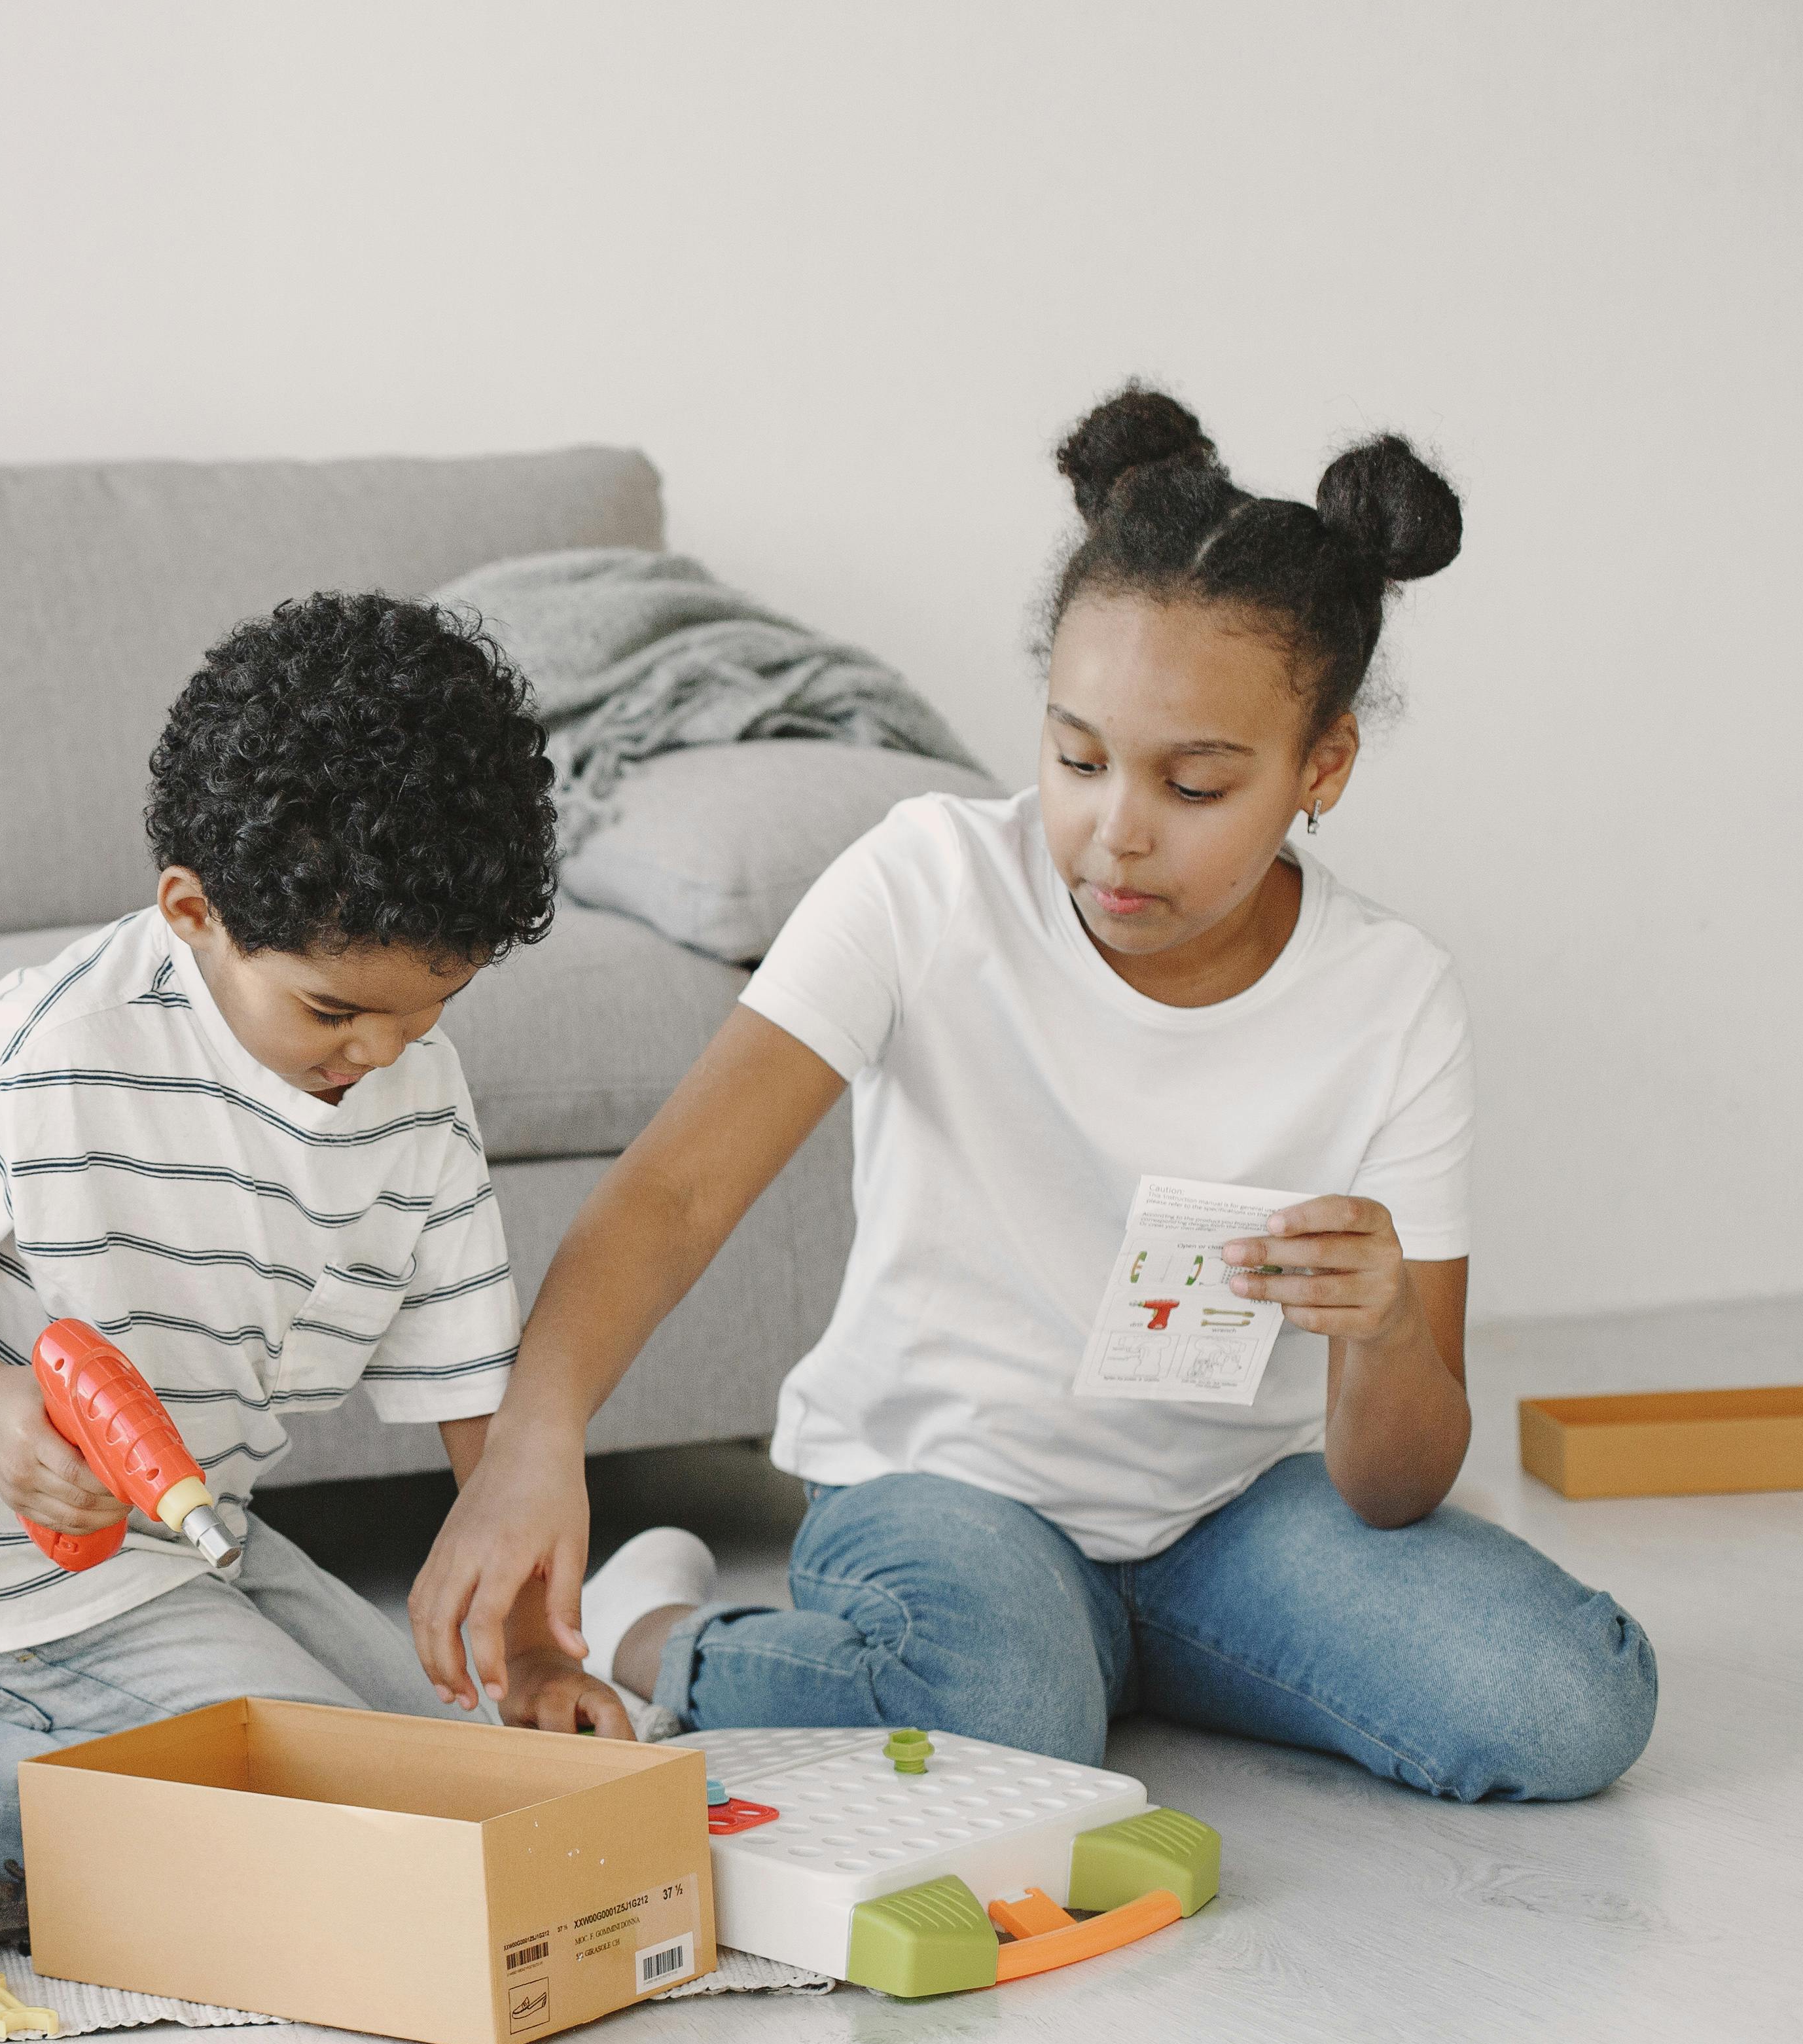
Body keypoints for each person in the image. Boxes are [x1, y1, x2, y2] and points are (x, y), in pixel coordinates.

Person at [408, 384, 1656, 1802]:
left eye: (1195, 786)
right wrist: (535, 1442)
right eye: (1077, 757)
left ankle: (1102, 1663)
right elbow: (676, 1193)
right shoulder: (928, 882)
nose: (1115, 833)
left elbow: (1395, 1486)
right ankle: (666, 1632)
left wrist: (1377, 1334)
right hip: (947, 1492)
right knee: (1008, 1709)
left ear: (1323, 767)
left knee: (1568, 1701)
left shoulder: (1394, 1000)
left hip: (1230, 1520)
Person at [0, 591, 618, 1893]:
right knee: (368, 1849)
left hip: (178, 1545)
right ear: (191, 913)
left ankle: (90, 1777)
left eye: (433, 1008)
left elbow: (481, 1402)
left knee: (456, 1770)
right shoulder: (49, 1046)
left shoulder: (417, 1083)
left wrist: (534, 1655)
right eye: (336, 1010)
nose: (385, 1054)